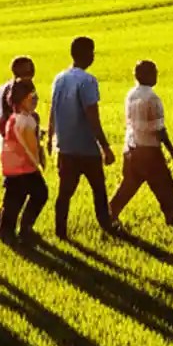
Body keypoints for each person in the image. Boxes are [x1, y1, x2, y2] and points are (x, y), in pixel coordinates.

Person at [46, 37, 115, 238]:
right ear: (86, 55)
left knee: (65, 192)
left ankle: (60, 231)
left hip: (65, 146)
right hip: (85, 146)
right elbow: (92, 114)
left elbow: (52, 108)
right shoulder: (87, 80)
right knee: (99, 189)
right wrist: (105, 146)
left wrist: (50, 137)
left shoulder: (59, 78)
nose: (93, 56)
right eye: (92, 52)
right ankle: (106, 226)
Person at [109, 60, 173, 225]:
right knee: (164, 184)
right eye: (154, 72)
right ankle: (172, 215)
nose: (156, 75)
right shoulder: (152, 97)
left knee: (129, 184)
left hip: (132, 146)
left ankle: (111, 212)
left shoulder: (131, 94)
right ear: (147, 75)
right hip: (150, 149)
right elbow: (159, 129)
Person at [0, 56, 35, 237]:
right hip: (15, 148)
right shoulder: (15, 93)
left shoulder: (0, 90)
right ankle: (5, 230)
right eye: (28, 71)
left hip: (6, 146)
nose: (31, 74)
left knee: (16, 190)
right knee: (21, 191)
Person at [0, 80, 47, 244]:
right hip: (22, 167)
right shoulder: (23, 120)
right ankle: (21, 229)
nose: (35, 100)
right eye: (32, 97)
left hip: (15, 166)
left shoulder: (18, 118)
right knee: (38, 194)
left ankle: (10, 231)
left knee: (15, 199)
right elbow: (29, 145)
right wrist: (37, 164)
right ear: (22, 100)